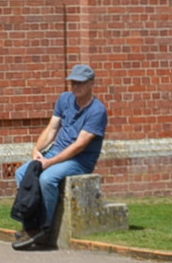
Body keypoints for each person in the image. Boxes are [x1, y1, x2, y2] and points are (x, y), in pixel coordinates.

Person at [12, 62, 107, 251]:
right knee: (22, 173)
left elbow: (79, 146)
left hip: (79, 160)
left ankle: (43, 228)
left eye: (79, 83)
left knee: (47, 179)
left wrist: (50, 162)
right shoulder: (64, 99)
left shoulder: (98, 111)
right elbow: (52, 128)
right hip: (56, 152)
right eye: (73, 83)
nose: (75, 87)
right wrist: (36, 152)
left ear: (91, 83)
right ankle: (29, 225)